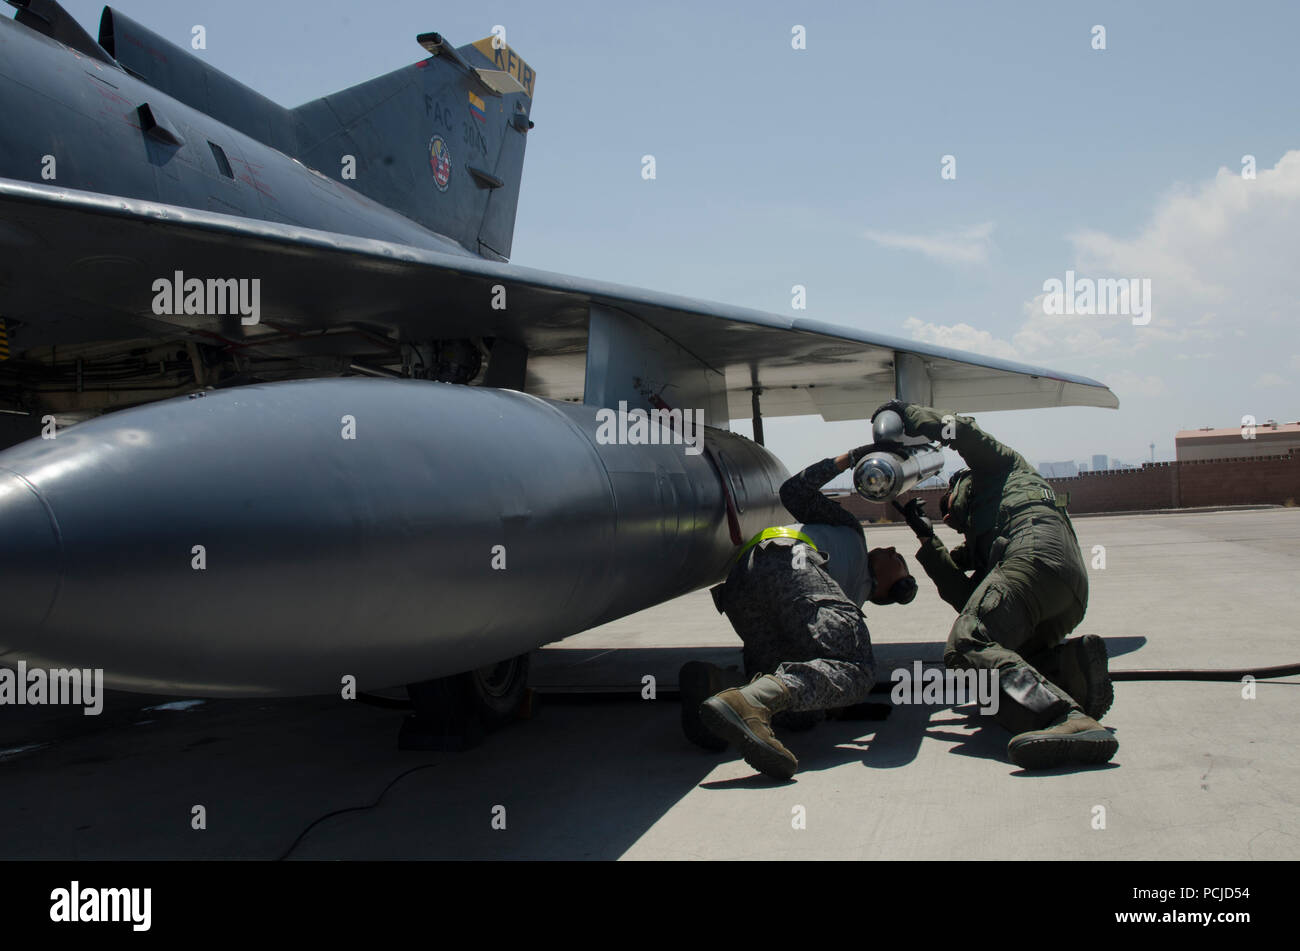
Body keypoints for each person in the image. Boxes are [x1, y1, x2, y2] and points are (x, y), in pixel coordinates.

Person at [879, 400, 1116, 769]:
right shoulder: (987, 533)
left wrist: (906, 413)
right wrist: (927, 539)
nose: (946, 516)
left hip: (1033, 557)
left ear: (963, 484)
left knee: (967, 643)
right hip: (1068, 589)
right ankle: (1070, 668)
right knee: (1001, 648)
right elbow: (968, 598)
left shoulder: (998, 468)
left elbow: (963, 433)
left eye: (947, 504)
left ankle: (1062, 718)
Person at [684, 445, 916, 780]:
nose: (893, 549)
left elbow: (819, 676)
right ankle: (748, 703)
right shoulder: (851, 532)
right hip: (791, 563)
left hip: (743, 586)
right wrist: (852, 457)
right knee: (858, 668)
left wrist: (840, 707)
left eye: (901, 562)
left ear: (892, 589)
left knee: (802, 716)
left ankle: (720, 687)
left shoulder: (844, 598)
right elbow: (794, 491)